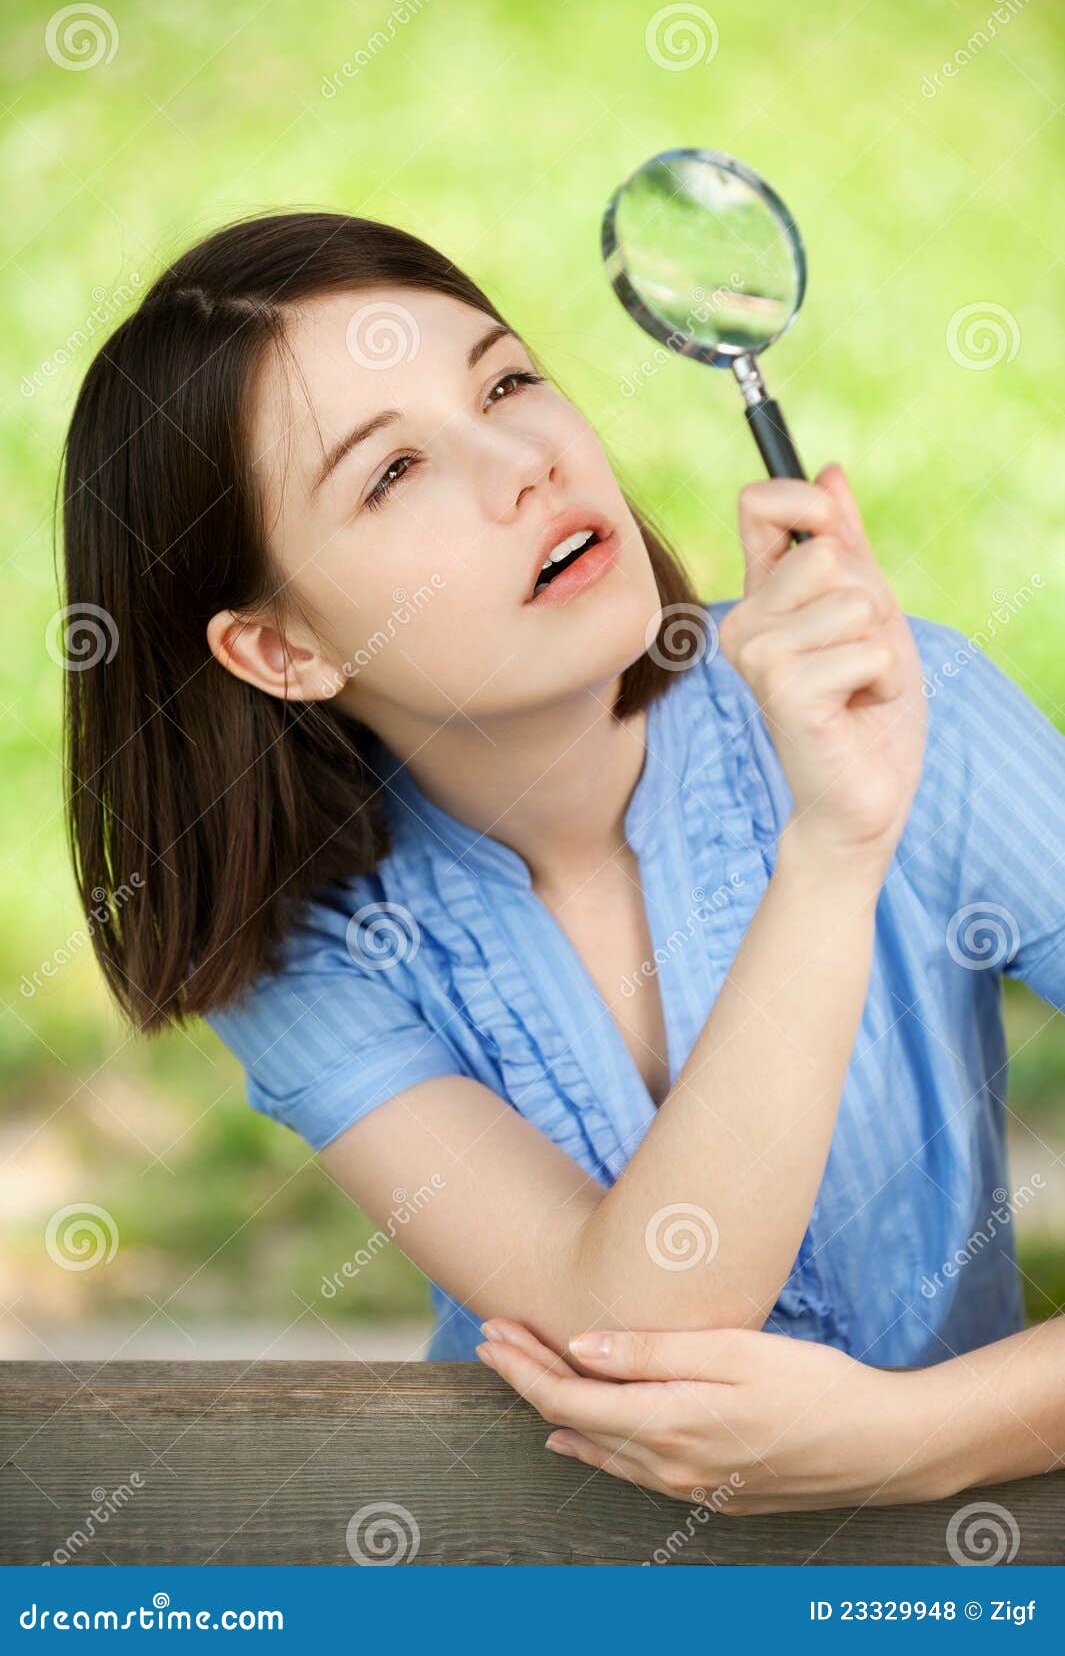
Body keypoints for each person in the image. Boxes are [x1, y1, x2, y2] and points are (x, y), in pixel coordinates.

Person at [60, 210, 1065, 1511]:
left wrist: (920, 1436)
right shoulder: (298, 943)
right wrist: (833, 852)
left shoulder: (911, 706)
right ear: (282, 650)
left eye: (505, 383)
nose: (523, 463)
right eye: (392, 471)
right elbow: (640, 1329)